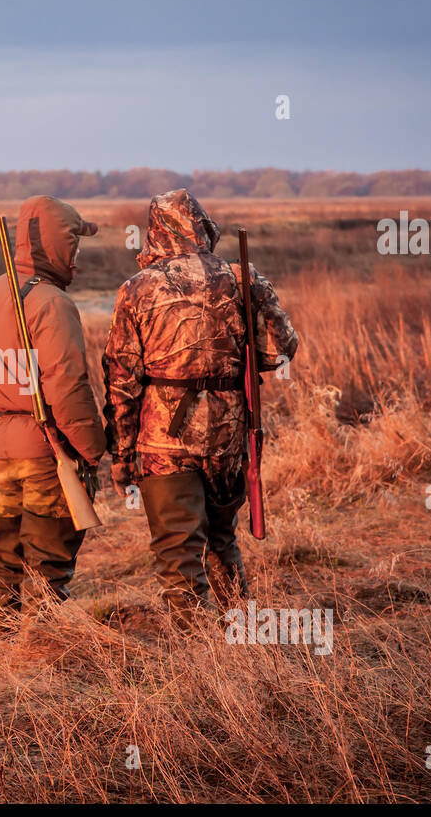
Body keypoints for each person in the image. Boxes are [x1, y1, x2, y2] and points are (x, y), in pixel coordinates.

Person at [102, 188, 299, 622]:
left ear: (156, 232)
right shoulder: (243, 278)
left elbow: (122, 378)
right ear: (204, 227)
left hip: (164, 440)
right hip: (228, 438)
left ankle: (195, 657)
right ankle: (240, 636)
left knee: (178, 548)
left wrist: (121, 454)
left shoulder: (137, 289)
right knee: (222, 538)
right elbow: (279, 353)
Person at [0, 195, 105, 632]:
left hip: (2, 449)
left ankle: (2, 645)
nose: (78, 258)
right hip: (49, 450)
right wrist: (91, 449)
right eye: (74, 245)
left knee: (6, 550)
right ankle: (43, 650)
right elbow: (68, 386)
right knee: (49, 553)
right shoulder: (52, 303)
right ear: (59, 244)